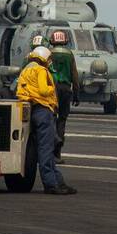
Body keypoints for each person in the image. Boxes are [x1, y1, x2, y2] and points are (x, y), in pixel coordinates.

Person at [15, 46, 75, 195]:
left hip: (29, 109)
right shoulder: (41, 70)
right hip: (43, 109)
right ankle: (51, 184)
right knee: (46, 148)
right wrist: (52, 88)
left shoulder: (26, 70)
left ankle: (58, 182)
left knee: (43, 147)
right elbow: (43, 90)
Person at [47, 29, 80, 161]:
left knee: (51, 118)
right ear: (65, 41)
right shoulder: (69, 54)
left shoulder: (48, 54)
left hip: (52, 89)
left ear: (52, 41)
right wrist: (76, 94)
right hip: (66, 89)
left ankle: (52, 144)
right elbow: (75, 76)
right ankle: (57, 152)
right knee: (62, 120)